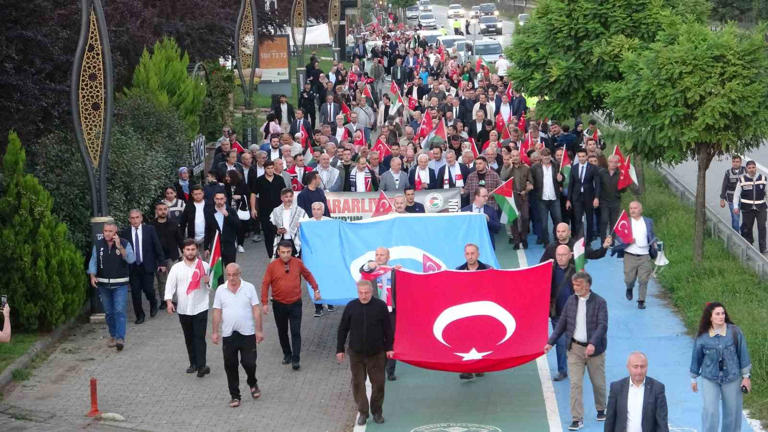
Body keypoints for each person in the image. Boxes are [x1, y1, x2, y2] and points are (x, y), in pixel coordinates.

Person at [544, 271, 608, 431]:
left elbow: (602, 325)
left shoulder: (600, 302)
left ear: (587, 285)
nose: (575, 288)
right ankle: (576, 418)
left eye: (578, 285)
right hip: (574, 349)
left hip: (595, 351)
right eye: (574, 285)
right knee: (575, 384)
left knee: (598, 383)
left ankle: (601, 408)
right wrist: (551, 342)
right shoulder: (571, 301)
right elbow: (562, 323)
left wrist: (592, 343)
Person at [336, 280, 394, 426]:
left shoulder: (380, 306)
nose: (363, 296)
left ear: (371, 291)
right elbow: (343, 328)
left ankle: (377, 411)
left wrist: (389, 348)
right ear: (357, 292)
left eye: (366, 292)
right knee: (357, 383)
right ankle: (363, 412)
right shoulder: (351, 307)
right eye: (361, 293)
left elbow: (388, 328)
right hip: (356, 354)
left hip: (377, 353)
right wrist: (339, 349)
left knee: (379, 383)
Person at [690, 302, 751, 432]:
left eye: (723, 313)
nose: (721, 316)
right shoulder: (702, 336)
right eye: (717, 314)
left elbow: (743, 354)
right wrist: (693, 378)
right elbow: (696, 357)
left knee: (732, 413)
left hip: (732, 378)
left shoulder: (735, 332)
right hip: (709, 378)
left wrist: (746, 377)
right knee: (710, 411)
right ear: (710, 317)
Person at [261, 240, 320, 370]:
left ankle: (296, 358)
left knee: (295, 331)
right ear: (278, 252)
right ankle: (287, 354)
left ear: (291, 251)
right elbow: (265, 284)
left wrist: (316, 289)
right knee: (282, 331)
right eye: (283, 252)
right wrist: (264, 302)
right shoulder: (272, 266)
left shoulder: (298, 263)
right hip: (279, 304)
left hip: (295, 304)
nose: (286, 255)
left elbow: (308, 275)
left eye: (288, 252)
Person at [212, 263, 264, 408]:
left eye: (234, 275)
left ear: (239, 274)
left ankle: (252, 382)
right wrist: (215, 332)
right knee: (230, 365)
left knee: (249, 363)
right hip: (229, 335)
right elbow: (217, 311)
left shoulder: (249, 288)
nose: (231, 278)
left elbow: (256, 310)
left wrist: (259, 330)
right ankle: (235, 396)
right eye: (228, 275)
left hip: (247, 333)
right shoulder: (221, 290)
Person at [164, 239, 211, 377]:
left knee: (199, 337)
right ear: (183, 251)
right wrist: (169, 302)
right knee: (189, 337)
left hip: (200, 307)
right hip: (184, 308)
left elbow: (212, 287)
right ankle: (193, 363)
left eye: (193, 249)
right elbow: (170, 285)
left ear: (197, 250)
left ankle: (202, 366)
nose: (190, 252)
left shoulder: (204, 266)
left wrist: (208, 282)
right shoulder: (176, 268)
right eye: (188, 250)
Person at [87, 222, 135, 351]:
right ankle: (113, 335)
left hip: (120, 284)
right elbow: (93, 261)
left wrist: (120, 247)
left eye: (110, 231)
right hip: (103, 284)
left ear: (115, 231)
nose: (107, 233)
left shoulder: (124, 243)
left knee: (119, 311)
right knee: (108, 313)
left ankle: (120, 338)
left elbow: (131, 259)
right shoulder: (98, 244)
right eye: (105, 231)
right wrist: (92, 276)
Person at [359, 247, 399, 380]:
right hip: (375, 311)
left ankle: (390, 370)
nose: (379, 257)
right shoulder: (371, 270)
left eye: (382, 255)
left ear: (388, 257)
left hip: (391, 312)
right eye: (377, 254)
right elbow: (362, 269)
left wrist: (401, 272)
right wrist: (369, 265)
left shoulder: (394, 271)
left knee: (391, 341)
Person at [605, 352, 669, 432]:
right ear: (628, 367)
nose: (639, 371)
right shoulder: (616, 387)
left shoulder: (657, 388)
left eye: (642, 367)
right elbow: (610, 419)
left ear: (647, 367)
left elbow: (662, 422)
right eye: (635, 367)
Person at [610, 201, 658, 310]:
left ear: (640, 209)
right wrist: (627, 241)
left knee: (643, 279)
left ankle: (641, 301)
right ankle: (629, 287)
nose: (632, 210)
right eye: (631, 208)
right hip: (630, 255)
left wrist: (654, 244)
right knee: (629, 278)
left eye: (635, 208)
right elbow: (619, 237)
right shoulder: (625, 222)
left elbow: (651, 235)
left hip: (645, 255)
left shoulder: (648, 221)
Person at [122, 209, 166, 325]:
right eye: (132, 218)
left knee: (148, 289)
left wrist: (161, 262)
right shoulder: (125, 233)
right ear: (129, 220)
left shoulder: (149, 230)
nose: (135, 220)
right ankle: (140, 315)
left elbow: (157, 245)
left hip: (147, 265)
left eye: (137, 217)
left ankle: (153, 302)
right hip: (133, 267)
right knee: (135, 292)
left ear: (141, 218)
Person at [455, 243, 492, 380]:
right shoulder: (458, 271)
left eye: (472, 253)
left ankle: (480, 366)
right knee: (465, 339)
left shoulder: (488, 270)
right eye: (467, 254)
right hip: (465, 311)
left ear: (478, 254)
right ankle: (467, 369)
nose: (470, 256)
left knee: (481, 338)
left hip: (482, 310)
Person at [549, 244, 575, 382]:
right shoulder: (550, 271)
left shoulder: (576, 271)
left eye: (563, 255)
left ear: (570, 256)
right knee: (560, 342)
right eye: (558, 255)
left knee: (575, 340)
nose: (560, 257)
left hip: (574, 313)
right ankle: (562, 370)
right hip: (557, 314)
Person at [252, 160, 287, 258]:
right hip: (264, 212)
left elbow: (284, 193)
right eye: (268, 168)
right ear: (264, 169)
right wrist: (253, 208)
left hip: (278, 211)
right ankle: (271, 256)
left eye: (272, 168)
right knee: (268, 235)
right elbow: (253, 194)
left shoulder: (279, 179)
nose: (270, 170)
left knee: (280, 233)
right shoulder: (259, 180)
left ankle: (281, 255)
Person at [205, 192, 240, 284]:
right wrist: (206, 247)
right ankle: (221, 289)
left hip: (229, 245)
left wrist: (227, 215)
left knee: (231, 270)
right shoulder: (210, 212)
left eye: (221, 199)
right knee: (218, 272)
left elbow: (238, 225)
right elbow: (207, 230)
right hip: (216, 246)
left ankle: (233, 287)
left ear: (225, 199)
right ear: (214, 200)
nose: (219, 201)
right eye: (217, 199)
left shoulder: (231, 211)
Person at [152, 201, 183, 309]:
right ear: (156, 211)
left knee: (173, 279)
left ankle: (173, 300)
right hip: (158, 258)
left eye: (165, 209)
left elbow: (180, 240)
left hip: (172, 256)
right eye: (160, 209)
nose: (163, 211)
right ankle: (164, 300)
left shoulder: (173, 224)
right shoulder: (151, 226)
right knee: (162, 280)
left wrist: (184, 253)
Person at [733, 160, 767, 254]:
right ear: (746, 169)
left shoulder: (763, 178)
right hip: (747, 209)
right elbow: (736, 195)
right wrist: (735, 207)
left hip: (761, 208)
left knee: (762, 227)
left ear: (756, 168)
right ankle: (749, 246)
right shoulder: (742, 180)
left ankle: (763, 248)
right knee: (747, 228)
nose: (752, 169)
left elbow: (767, 193)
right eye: (749, 168)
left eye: (753, 167)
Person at [567, 148, 601, 242]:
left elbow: (597, 184)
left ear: (586, 157)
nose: (581, 158)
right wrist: (568, 199)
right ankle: (579, 240)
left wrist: (596, 198)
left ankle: (589, 240)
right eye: (579, 157)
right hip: (577, 197)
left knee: (589, 219)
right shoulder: (574, 168)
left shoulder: (593, 168)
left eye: (583, 156)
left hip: (589, 197)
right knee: (577, 219)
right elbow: (571, 184)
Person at [531, 148, 563, 245]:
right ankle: (546, 241)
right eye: (545, 157)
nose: (546, 158)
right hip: (542, 199)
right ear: (541, 157)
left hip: (554, 198)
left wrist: (561, 179)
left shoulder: (556, 165)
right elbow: (531, 180)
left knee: (558, 221)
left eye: (548, 157)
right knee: (544, 223)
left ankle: (557, 239)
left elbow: (561, 178)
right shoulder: (535, 167)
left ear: (550, 156)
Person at [269, 188, 307, 257]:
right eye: (286, 197)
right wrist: (277, 231)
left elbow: (306, 225)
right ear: (281, 198)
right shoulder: (276, 211)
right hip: (281, 240)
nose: (289, 199)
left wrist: (301, 225)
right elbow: (271, 225)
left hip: (295, 240)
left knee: (295, 261)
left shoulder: (300, 211)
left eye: (290, 196)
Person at [720, 155, 745, 232]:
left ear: (740, 162)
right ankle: (736, 236)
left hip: (745, 199)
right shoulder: (728, 172)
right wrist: (722, 199)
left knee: (747, 219)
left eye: (737, 162)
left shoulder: (746, 170)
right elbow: (724, 186)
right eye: (733, 161)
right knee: (735, 218)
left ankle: (744, 235)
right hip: (732, 200)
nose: (735, 163)